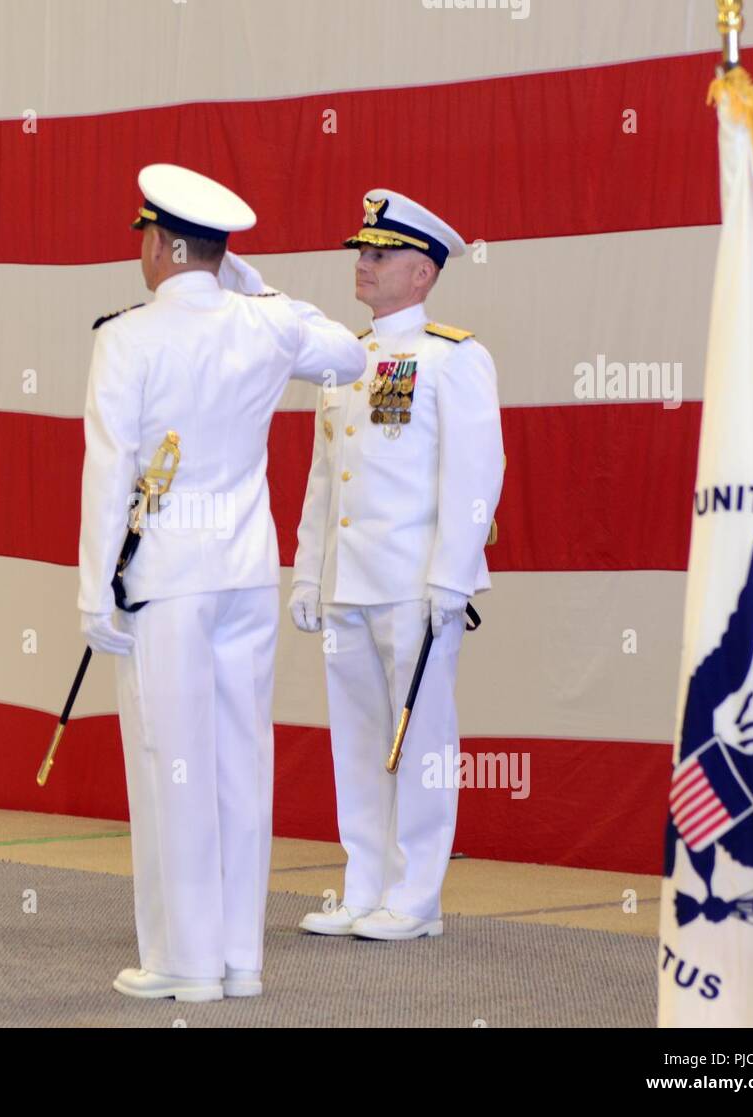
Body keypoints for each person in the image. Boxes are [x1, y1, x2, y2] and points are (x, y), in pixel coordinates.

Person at [80, 163, 366, 1001]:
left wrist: (93, 588)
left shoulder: (126, 336)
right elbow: (348, 354)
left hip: (166, 576)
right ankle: (239, 958)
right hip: (245, 569)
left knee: (172, 758)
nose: (139, 251)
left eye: (145, 236)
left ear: (165, 244)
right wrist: (248, 283)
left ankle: (183, 959)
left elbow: (108, 472)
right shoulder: (265, 325)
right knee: (242, 757)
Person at [291, 189, 504, 941]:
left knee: (419, 740)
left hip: (416, 585)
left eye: (380, 255)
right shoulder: (344, 358)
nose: (364, 263)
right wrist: (308, 571)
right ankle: (362, 886)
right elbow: (327, 476)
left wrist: (452, 574)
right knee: (357, 742)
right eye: (362, 251)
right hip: (349, 581)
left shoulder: (454, 356)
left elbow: (477, 473)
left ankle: (415, 898)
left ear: (421, 273)